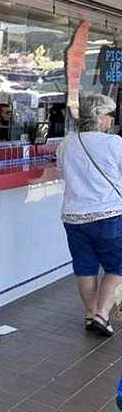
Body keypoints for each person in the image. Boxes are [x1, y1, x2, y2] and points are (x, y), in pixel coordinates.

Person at [56, 93, 122, 336]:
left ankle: (90, 314)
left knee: (85, 267)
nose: (111, 120)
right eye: (110, 115)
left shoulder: (66, 143)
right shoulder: (114, 143)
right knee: (117, 266)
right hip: (109, 216)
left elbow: (62, 173)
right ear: (100, 117)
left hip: (73, 217)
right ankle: (103, 315)